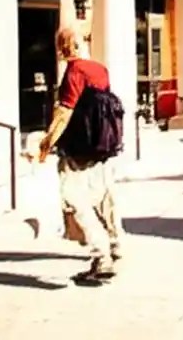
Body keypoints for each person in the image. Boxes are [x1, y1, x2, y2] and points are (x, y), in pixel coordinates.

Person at [38, 26, 122, 282]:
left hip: (78, 147)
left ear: (63, 49)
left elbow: (65, 112)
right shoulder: (100, 69)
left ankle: (101, 255)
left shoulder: (73, 73)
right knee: (105, 194)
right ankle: (116, 241)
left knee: (72, 197)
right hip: (104, 144)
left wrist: (46, 143)